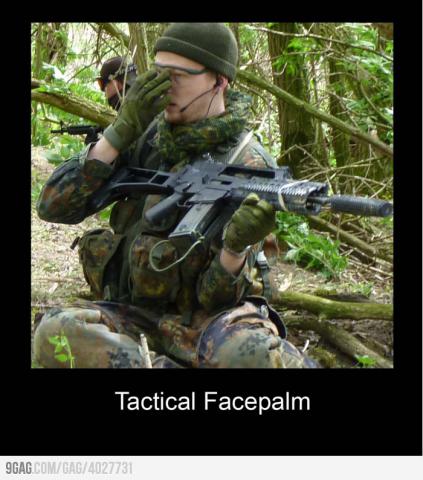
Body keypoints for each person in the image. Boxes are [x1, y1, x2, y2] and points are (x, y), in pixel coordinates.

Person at [34, 23, 318, 369]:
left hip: (206, 328)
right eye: (158, 74)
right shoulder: (146, 137)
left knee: (255, 356)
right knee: (55, 332)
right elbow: (52, 207)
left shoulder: (250, 165)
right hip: (136, 316)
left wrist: (234, 249)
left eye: (178, 76)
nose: (164, 87)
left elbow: (218, 300)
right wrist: (119, 133)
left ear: (219, 81)